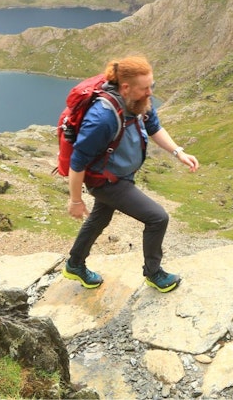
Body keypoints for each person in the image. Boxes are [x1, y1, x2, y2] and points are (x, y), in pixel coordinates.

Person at [63, 55, 199, 293]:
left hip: (119, 174)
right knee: (157, 218)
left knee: (100, 218)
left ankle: (74, 264)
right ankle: (154, 274)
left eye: (151, 86)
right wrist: (75, 200)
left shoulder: (138, 101)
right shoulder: (102, 118)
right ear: (125, 87)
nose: (150, 93)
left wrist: (178, 153)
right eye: (145, 88)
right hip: (106, 181)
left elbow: (154, 126)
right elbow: (77, 163)